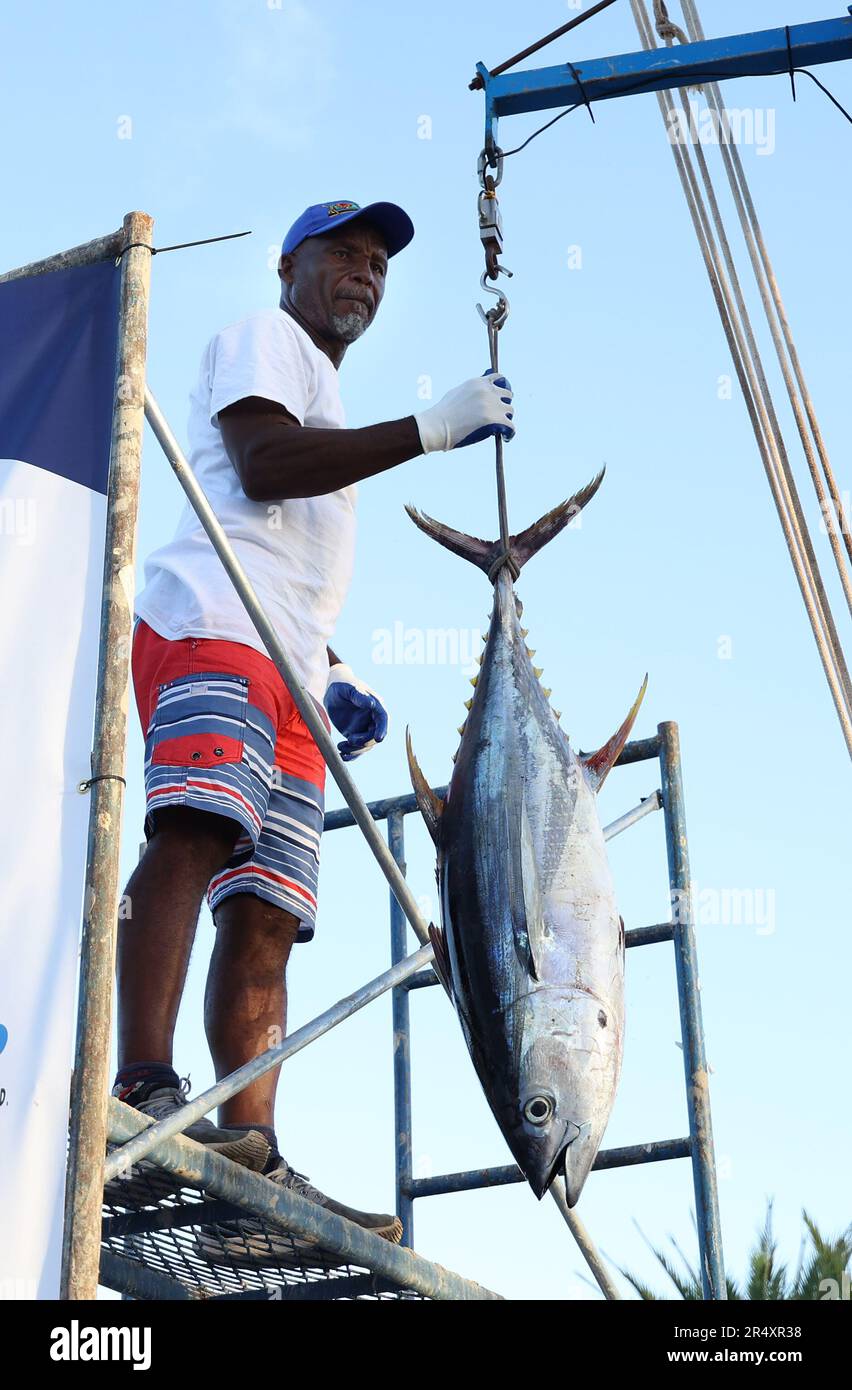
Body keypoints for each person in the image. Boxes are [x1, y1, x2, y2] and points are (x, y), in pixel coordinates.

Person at [109, 198, 515, 1253]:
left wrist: (332, 670)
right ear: (289, 264)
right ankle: (145, 1077)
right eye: (344, 253)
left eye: (378, 264)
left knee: (271, 913)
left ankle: (250, 1141)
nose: (364, 275)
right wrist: (429, 432)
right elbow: (259, 467)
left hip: (284, 669)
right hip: (209, 630)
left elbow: (285, 553)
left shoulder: (326, 396)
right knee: (195, 834)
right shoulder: (264, 340)